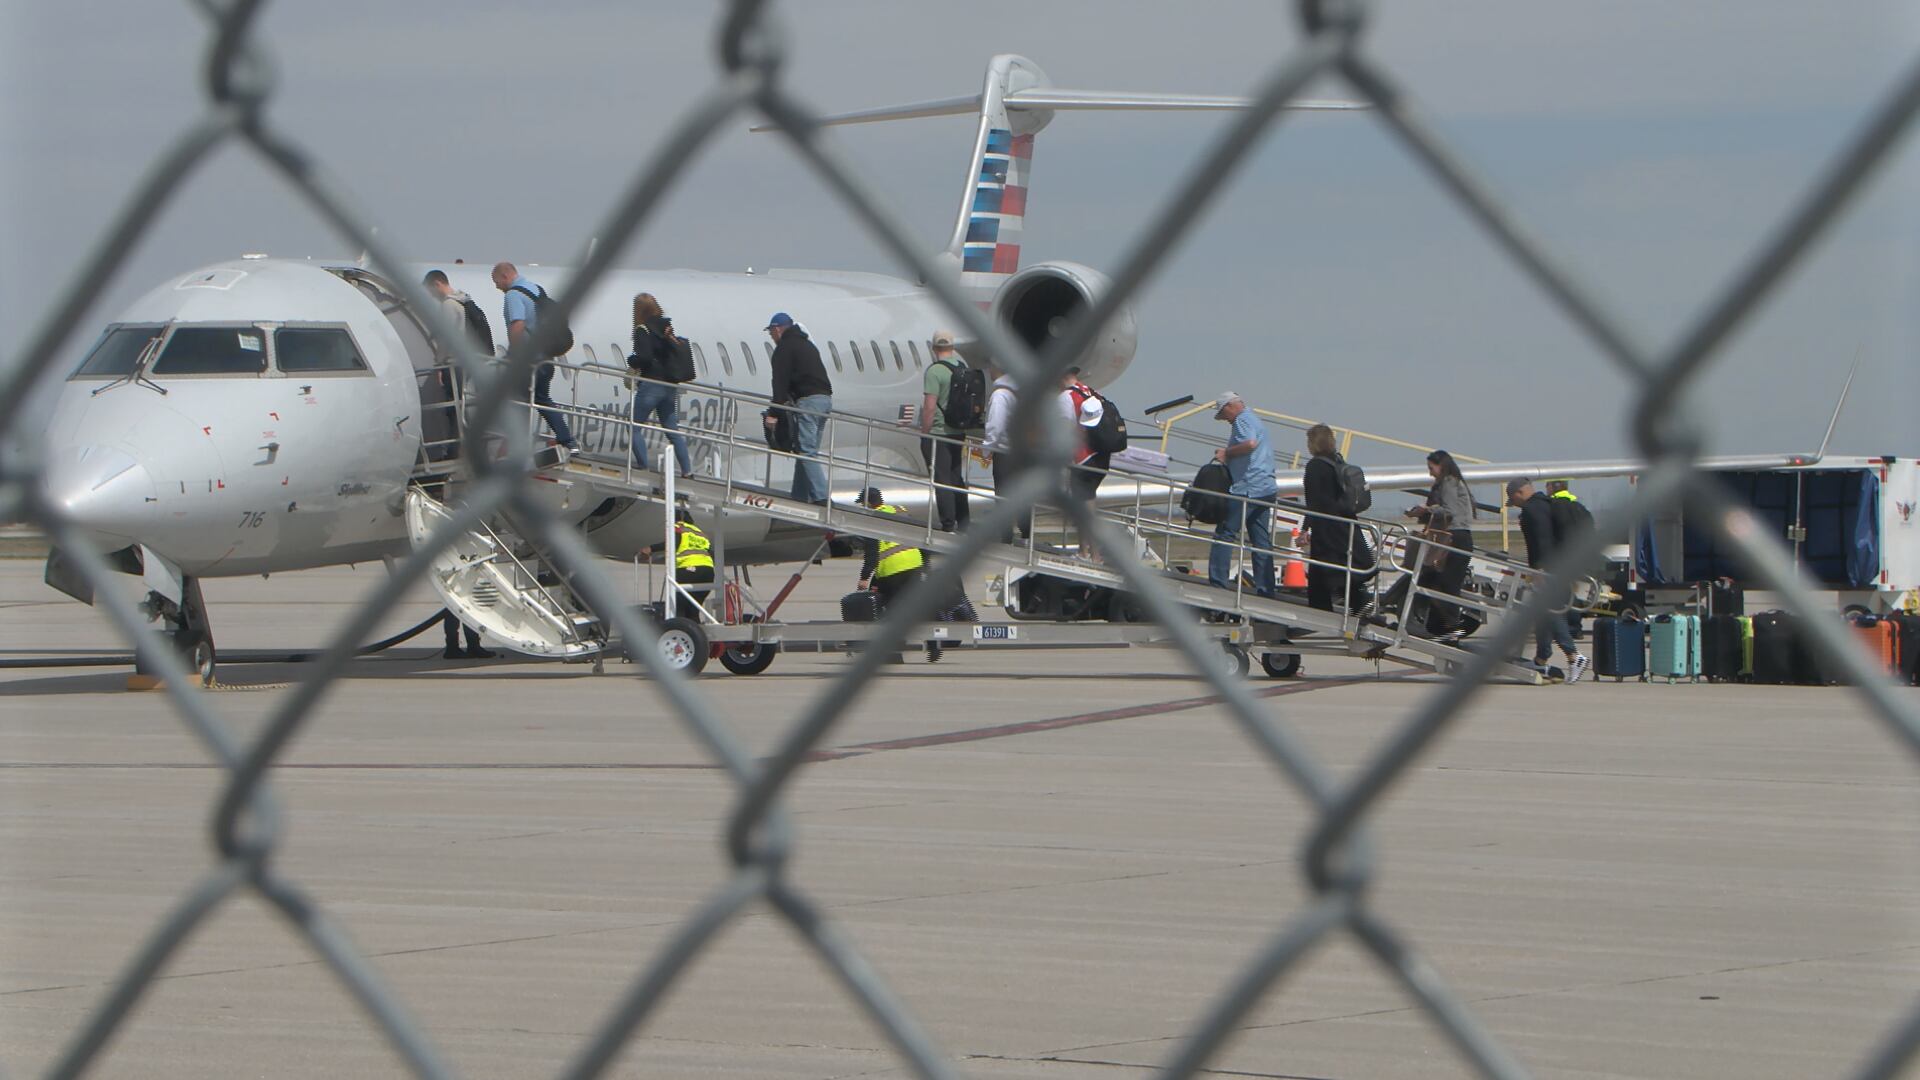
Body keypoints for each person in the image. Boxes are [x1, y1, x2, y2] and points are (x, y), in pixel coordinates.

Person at [855, 487, 955, 662]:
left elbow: (872, 555)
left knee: (890, 611)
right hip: (913, 566)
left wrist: (864, 578)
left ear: (868, 504)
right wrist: (925, 566)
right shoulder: (900, 511)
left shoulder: (871, 519)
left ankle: (894, 650)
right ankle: (933, 644)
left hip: (891, 573)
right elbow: (923, 538)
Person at [1507, 477, 1591, 683]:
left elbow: (1541, 541)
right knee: (1544, 613)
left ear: (1519, 493)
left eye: (1512, 499)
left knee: (1551, 612)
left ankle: (1574, 656)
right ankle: (1541, 658)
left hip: (1548, 570)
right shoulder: (1546, 504)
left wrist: (1539, 571)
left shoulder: (1532, 510)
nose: (1513, 504)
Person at [491, 261, 575, 451]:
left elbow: (518, 324)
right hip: (545, 357)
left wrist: (513, 353)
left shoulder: (513, 295)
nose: (497, 287)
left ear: (505, 276)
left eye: (497, 282)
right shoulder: (536, 289)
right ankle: (566, 438)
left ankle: (513, 443)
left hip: (529, 360)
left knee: (519, 399)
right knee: (541, 398)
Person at [1206, 392, 1279, 598]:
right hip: (1265, 487)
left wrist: (1226, 453)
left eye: (1224, 415)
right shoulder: (1254, 418)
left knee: (1225, 533)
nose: (1226, 420)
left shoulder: (1242, 420)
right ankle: (1266, 589)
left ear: (1230, 407)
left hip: (1248, 488)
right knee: (1261, 540)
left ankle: (1218, 583)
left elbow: (1249, 444)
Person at [1398, 449, 1476, 640]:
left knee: (1446, 586)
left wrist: (1427, 509)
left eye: (1431, 468)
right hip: (1457, 537)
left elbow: (1449, 511)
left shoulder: (1448, 482)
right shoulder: (1451, 482)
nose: (1430, 473)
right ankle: (1437, 627)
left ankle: (1450, 628)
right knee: (1437, 582)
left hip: (1454, 538)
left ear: (1441, 466)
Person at [1300, 423, 1374, 614]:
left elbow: (1313, 501)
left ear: (1312, 443)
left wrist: (1305, 528)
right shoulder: (1337, 461)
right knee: (1340, 569)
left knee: (1321, 574)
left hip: (1326, 528)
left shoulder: (1315, 466)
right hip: (1345, 523)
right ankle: (1358, 602)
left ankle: (1321, 613)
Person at [763, 312, 832, 504]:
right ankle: (799, 496)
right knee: (807, 451)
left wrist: (774, 413)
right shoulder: (807, 344)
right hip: (825, 401)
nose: (771, 336)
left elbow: (779, 383)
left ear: (777, 329)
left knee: (807, 451)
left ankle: (822, 497)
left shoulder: (784, 349)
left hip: (808, 403)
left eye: (770, 332)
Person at [627, 292, 693, 476]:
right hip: (669, 385)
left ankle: (643, 466)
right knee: (672, 430)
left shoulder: (642, 329)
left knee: (633, 426)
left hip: (652, 384)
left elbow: (645, 357)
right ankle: (687, 470)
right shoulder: (666, 327)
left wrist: (632, 360)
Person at [919, 330, 972, 532]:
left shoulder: (934, 372)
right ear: (952, 347)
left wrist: (925, 433)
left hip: (939, 432)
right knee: (956, 477)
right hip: (958, 431)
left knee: (942, 479)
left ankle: (948, 524)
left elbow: (929, 407)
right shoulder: (962, 368)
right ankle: (964, 522)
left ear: (934, 348)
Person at [981, 364, 1030, 543]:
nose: (989, 371)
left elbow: (995, 426)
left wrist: (987, 450)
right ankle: (1027, 533)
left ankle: (1006, 536)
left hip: (1005, 452)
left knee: (1003, 495)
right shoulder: (1023, 391)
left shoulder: (1000, 395)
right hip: (1025, 451)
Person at [640, 508, 715, 613]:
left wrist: (651, 548)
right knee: (693, 609)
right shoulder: (699, 532)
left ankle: (680, 621)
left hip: (688, 569)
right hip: (708, 572)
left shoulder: (679, 527)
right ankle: (693, 620)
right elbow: (710, 552)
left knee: (679, 606)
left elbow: (673, 543)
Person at [1059, 367, 1109, 503]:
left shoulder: (1066, 397)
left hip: (1082, 458)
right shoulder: (1091, 392)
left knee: (1078, 499)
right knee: (1088, 497)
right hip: (1101, 456)